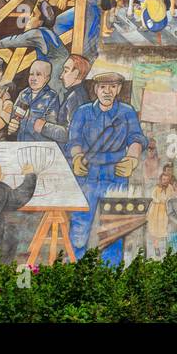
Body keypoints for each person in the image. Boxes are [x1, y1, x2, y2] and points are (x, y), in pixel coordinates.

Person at [67, 72, 147, 264]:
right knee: (79, 227)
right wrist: (77, 157)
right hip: (87, 176)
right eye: (103, 87)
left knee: (114, 229)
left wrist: (132, 159)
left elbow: (137, 138)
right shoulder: (83, 112)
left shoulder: (127, 112)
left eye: (112, 87)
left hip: (116, 176)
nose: (108, 91)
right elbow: (74, 139)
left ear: (118, 89)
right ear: (96, 89)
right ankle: (74, 271)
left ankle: (109, 277)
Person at [6, 59, 60, 142]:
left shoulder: (52, 97)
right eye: (31, 74)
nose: (33, 78)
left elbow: (49, 127)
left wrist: (29, 118)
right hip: (20, 142)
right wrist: (13, 126)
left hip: (39, 146)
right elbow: (13, 118)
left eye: (38, 74)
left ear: (47, 78)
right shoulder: (23, 94)